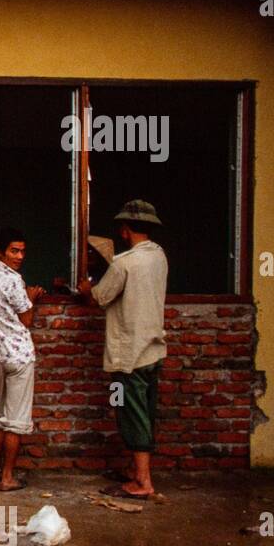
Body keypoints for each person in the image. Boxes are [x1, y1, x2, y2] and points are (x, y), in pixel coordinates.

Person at [77, 200, 169, 499]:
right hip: (153, 349)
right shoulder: (158, 256)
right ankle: (135, 472)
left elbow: (99, 298)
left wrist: (85, 290)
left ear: (126, 230)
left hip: (130, 354)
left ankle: (143, 482)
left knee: (133, 417)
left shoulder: (124, 263)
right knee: (146, 414)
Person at [0, 227, 45, 491]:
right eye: (14, 250)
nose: (19, 256)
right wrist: (31, 297)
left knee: (1, 414)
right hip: (18, 356)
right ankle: (7, 477)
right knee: (15, 421)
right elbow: (26, 319)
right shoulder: (14, 281)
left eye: (22, 251)